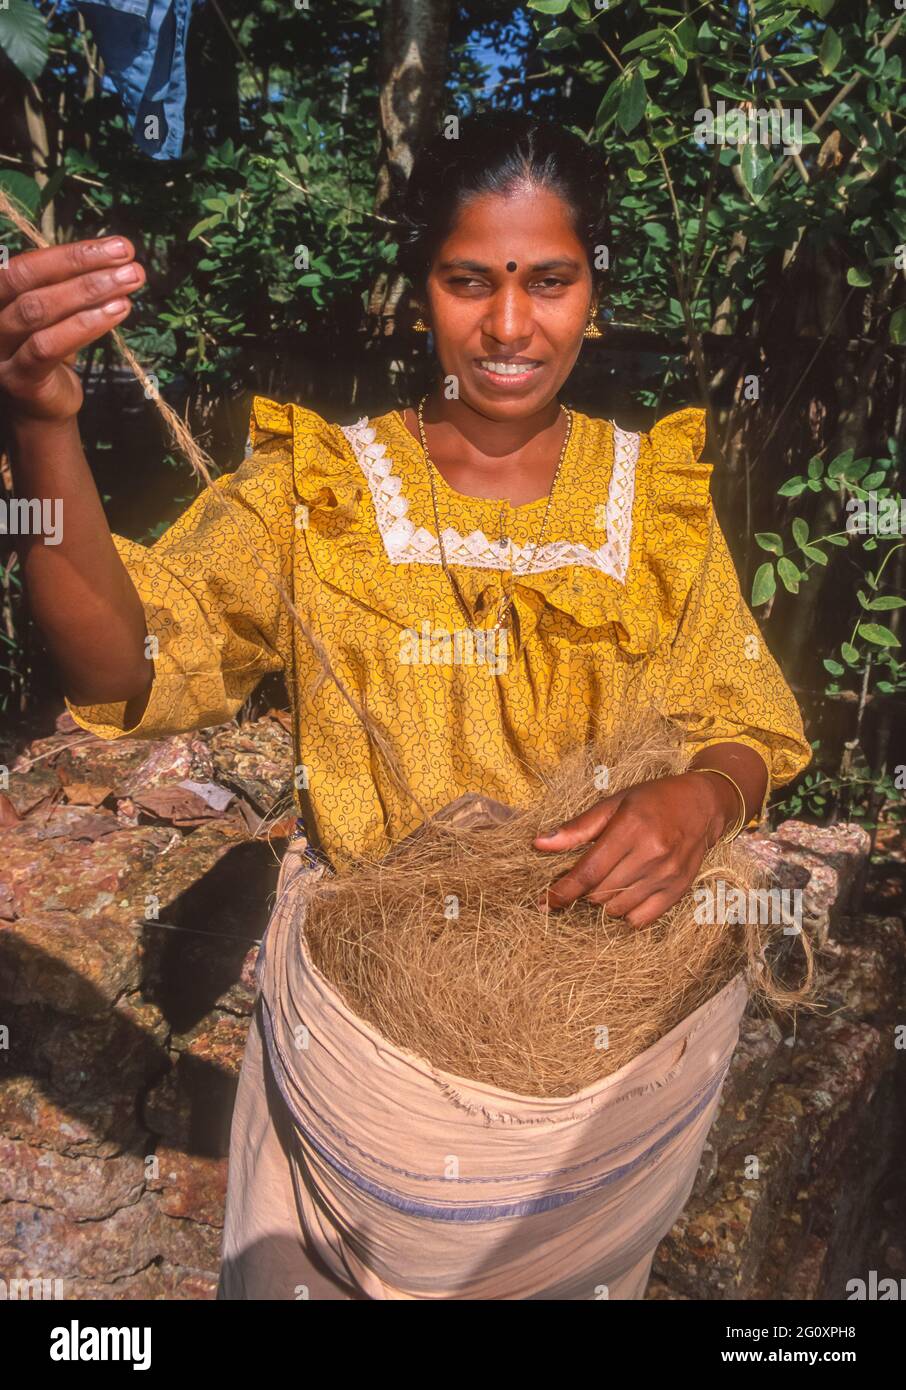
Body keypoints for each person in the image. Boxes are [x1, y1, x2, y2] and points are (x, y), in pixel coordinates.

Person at [1, 113, 811, 1299]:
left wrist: (702, 795)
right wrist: (41, 428)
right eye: (468, 280)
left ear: (594, 289)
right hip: (352, 1089)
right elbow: (121, 665)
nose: (509, 326)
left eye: (550, 281)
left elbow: (749, 714)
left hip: (580, 1115)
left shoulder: (656, 504)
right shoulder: (319, 495)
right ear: (421, 287)